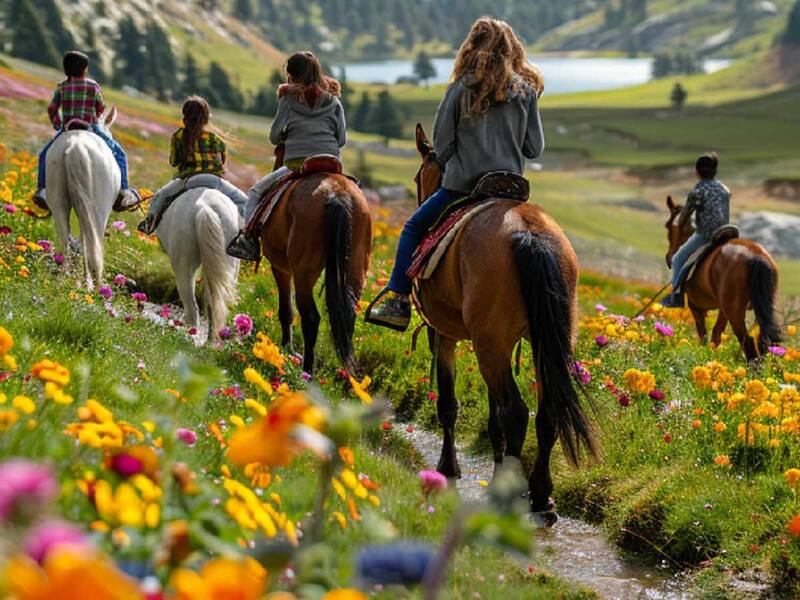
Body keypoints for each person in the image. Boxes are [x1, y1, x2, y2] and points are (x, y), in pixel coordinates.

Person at [366, 17, 545, 331]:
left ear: (471, 47)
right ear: (513, 49)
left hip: (464, 187)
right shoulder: (526, 91)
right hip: (512, 191)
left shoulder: (461, 88)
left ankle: (397, 299)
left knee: (412, 226)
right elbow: (535, 148)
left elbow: (444, 146)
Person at [226, 51, 346, 261]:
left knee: (255, 191)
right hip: (331, 163)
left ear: (291, 75)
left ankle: (248, 241)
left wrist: (288, 135)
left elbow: (274, 136)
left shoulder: (288, 99)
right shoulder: (334, 101)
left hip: (298, 164)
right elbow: (342, 139)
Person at [34, 51, 141, 211]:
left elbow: (52, 109)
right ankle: (124, 190)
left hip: (68, 128)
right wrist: (96, 118)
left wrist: (58, 124)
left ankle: (42, 189)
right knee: (120, 154)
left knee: (44, 155)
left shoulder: (61, 87)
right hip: (90, 127)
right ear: (85, 69)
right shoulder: (93, 86)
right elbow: (101, 107)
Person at [137, 96, 248, 234]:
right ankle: (246, 236)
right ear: (206, 118)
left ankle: (149, 224)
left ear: (186, 116)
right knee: (244, 201)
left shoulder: (178, 136)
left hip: (188, 181)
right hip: (213, 181)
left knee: (159, 196)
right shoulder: (214, 137)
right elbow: (222, 161)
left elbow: (174, 162)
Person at [661, 153, 730, 308]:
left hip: (706, 235)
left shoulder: (698, 191)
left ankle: (676, 296)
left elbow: (684, 216)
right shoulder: (725, 189)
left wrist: (681, 221)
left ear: (697, 171)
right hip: (726, 232)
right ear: (715, 171)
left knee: (679, 258)